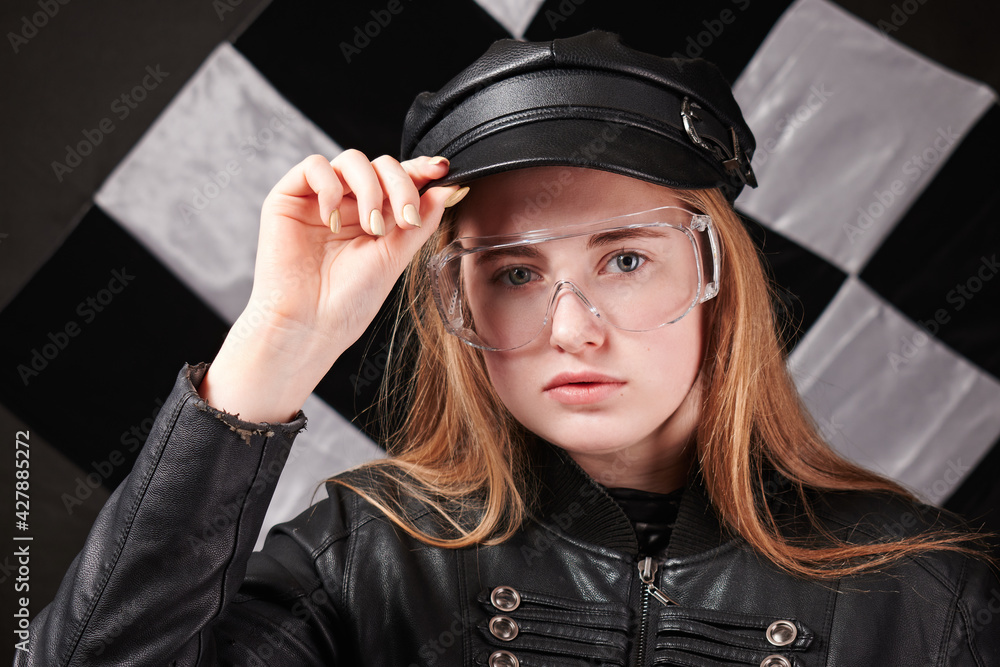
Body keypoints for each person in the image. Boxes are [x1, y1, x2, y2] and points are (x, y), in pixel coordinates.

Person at [15, 29, 999, 667]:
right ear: (457, 306)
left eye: (623, 258)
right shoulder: (362, 561)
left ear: (713, 278)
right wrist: (278, 344)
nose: (573, 325)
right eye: (517, 273)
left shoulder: (923, 592)